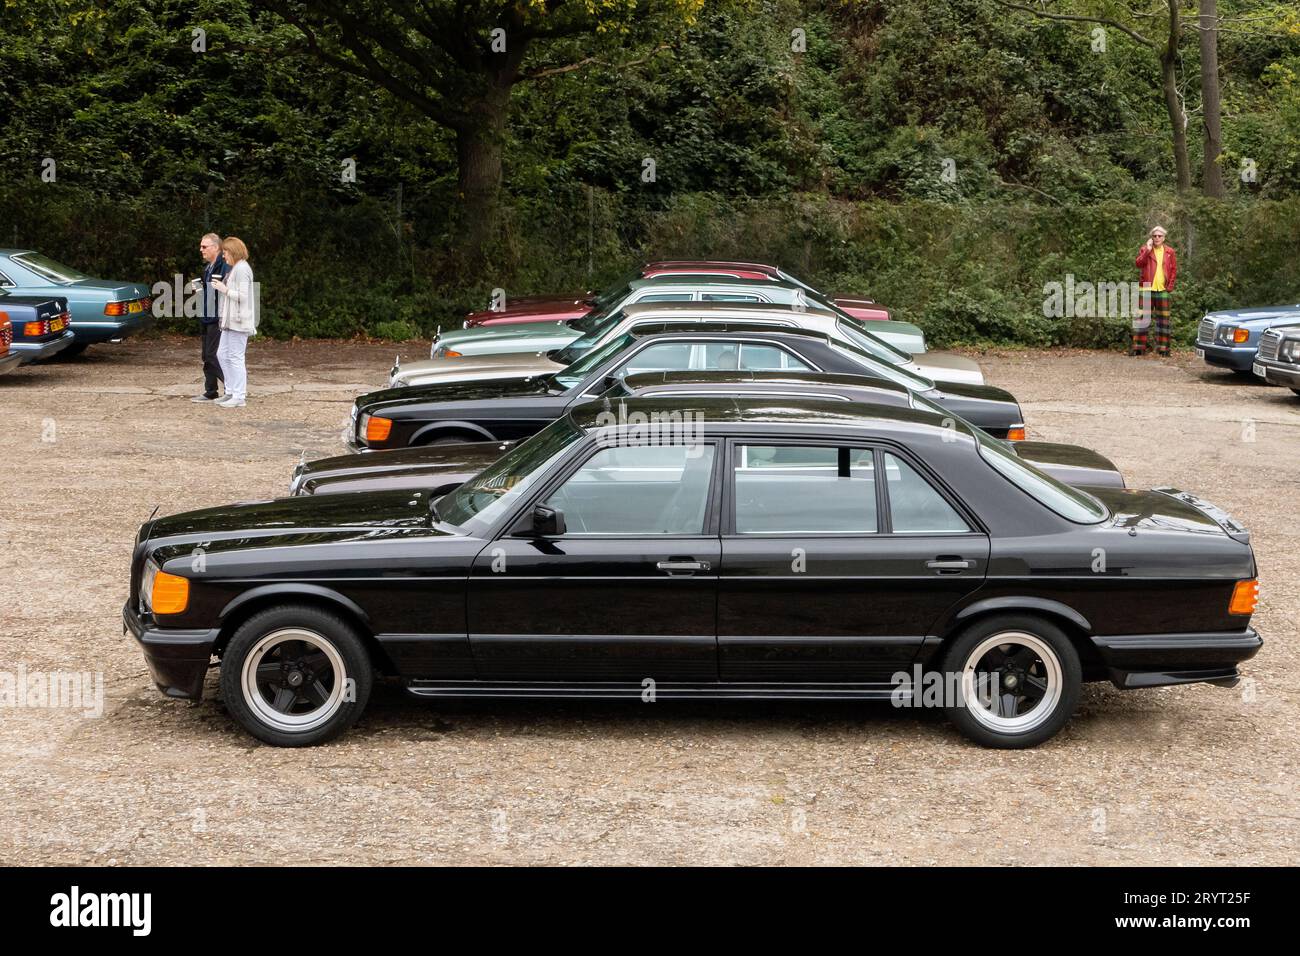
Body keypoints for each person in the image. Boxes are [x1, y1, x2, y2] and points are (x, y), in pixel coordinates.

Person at [209, 237, 256, 408]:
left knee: (235, 357)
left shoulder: (242, 269)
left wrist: (224, 289)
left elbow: (243, 296)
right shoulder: (236, 268)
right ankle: (230, 391)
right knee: (222, 354)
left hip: (239, 320)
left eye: (226, 252)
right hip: (230, 321)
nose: (224, 256)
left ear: (234, 251)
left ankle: (239, 396)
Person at [190, 233, 229, 402]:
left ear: (216, 248)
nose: (201, 250)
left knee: (213, 354)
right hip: (206, 316)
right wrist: (199, 288)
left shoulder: (225, 266)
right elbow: (208, 293)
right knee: (206, 355)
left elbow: (226, 291)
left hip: (218, 317)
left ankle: (232, 387)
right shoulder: (208, 267)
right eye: (201, 246)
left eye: (204, 247)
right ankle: (211, 390)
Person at [1132, 225, 1178, 357]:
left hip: (1162, 289)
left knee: (1164, 320)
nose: (1157, 238)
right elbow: (1138, 264)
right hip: (1146, 287)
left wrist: (1170, 286)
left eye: (1160, 236)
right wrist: (1147, 249)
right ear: (1151, 237)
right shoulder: (1145, 249)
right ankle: (1138, 348)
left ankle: (1164, 349)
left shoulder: (1170, 252)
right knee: (1142, 319)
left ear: (1164, 237)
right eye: (1154, 236)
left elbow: (1173, 270)